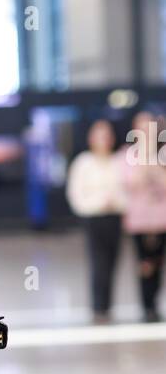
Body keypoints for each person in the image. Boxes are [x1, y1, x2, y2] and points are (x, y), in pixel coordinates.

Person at [65, 119, 126, 323]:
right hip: (94, 218)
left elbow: (126, 191)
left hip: (115, 217)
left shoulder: (118, 161)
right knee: (98, 262)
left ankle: (108, 305)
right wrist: (97, 204)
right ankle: (99, 306)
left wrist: (116, 203)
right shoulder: (83, 162)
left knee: (112, 261)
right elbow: (76, 194)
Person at [118, 110, 166, 323]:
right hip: (139, 222)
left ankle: (156, 303)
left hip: (161, 220)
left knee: (158, 263)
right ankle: (147, 307)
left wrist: (153, 165)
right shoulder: (126, 155)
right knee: (145, 265)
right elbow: (132, 183)